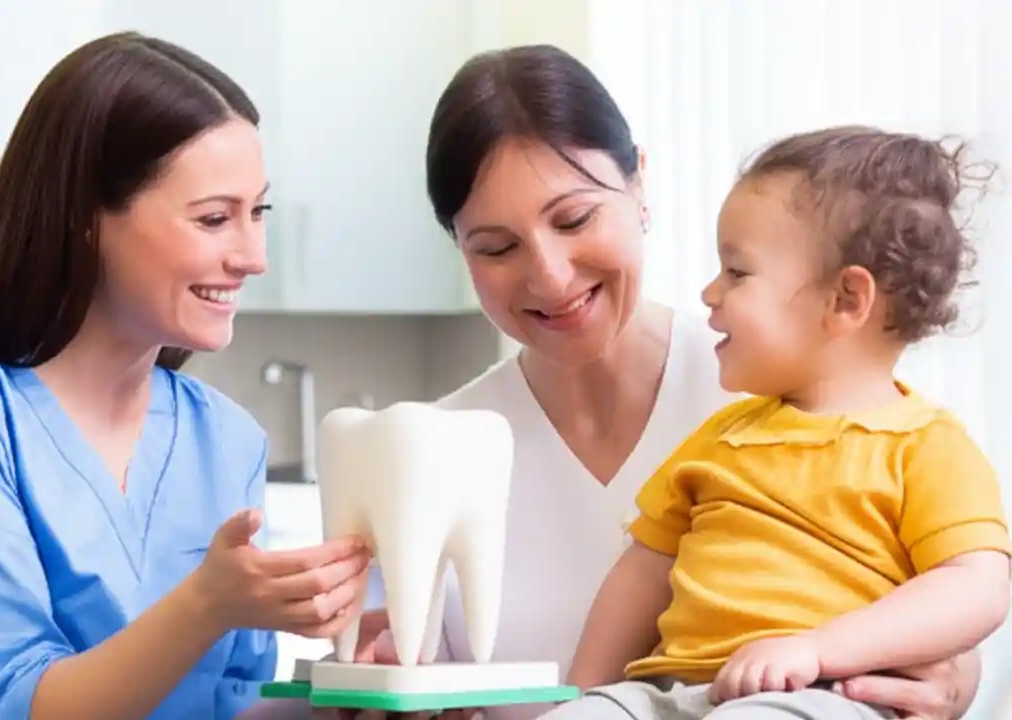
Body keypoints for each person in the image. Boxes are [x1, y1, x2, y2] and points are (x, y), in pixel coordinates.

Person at [327, 46, 991, 720]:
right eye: (496, 248)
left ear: (639, 185)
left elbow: (958, 586)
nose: (551, 277)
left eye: (574, 218)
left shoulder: (791, 384)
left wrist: (954, 673)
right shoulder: (435, 453)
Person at [0, 32, 370, 720]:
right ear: (85, 216)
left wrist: (348, 696)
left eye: (257, 212)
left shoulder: (224, 438)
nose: (253, 256)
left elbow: (227, 707)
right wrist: (206, 604)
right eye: (213, 218)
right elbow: (4, 707)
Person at [546, 126, 1011, 719]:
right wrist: (584, 695)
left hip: (822, 696)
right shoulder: (722, 438)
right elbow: (641, 574)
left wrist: (819, 649)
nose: (710, 293)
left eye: (737, 273)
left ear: (845, 300)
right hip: (670, 695)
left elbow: (978, 586)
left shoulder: (927, 447)